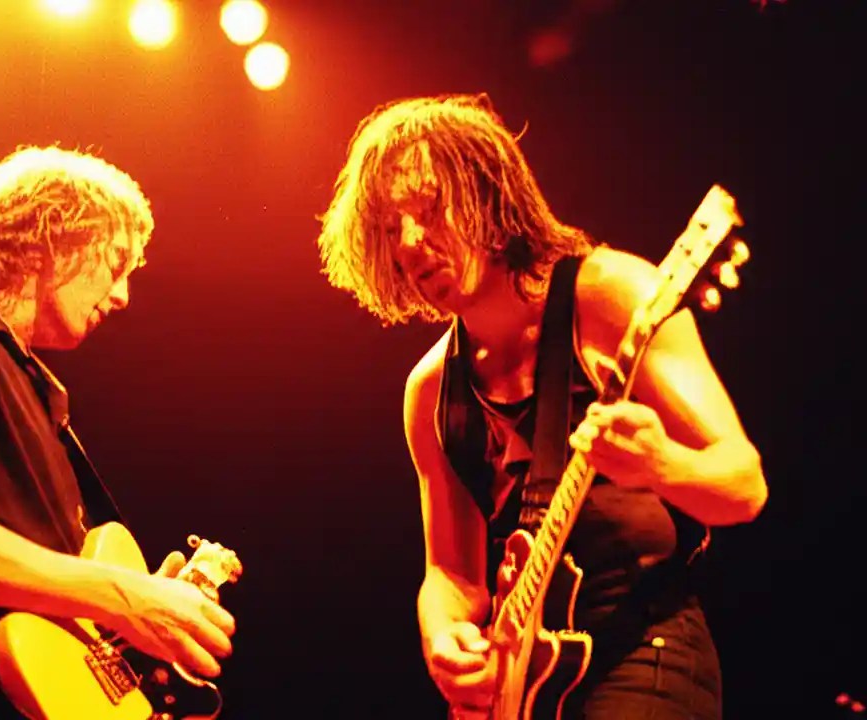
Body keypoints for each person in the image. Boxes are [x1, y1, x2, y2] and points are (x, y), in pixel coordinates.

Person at [315, 93, 767, 718]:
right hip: (532, 684)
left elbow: (744, 486)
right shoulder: (430, 393)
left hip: (644, 649)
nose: (412, 243)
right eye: (392, 228)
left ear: (488, 195)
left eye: (429, 210)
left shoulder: (608, 295)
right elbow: (452, 575)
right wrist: (442, 638)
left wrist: (661, 464)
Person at [0, 146, 235, 718]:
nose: (123, 294)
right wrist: (128, 597)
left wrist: (130, 624)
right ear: (56, 239)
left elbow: (42, 603)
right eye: (117, 261)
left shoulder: (37, 389)